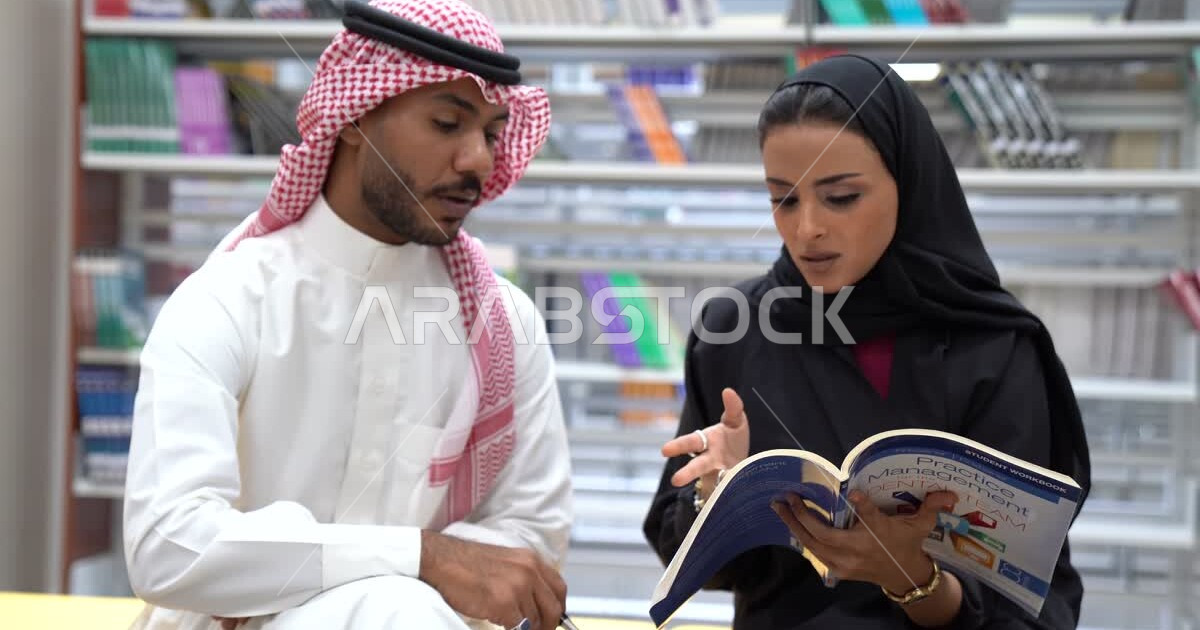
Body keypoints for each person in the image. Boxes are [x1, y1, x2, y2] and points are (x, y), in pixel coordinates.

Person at [121, 2, 572, 629]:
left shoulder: (505, 324)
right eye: (447, 123)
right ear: (355, 115)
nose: (478, 160)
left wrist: (301, 576)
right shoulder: (226, 300)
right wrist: (419, 559)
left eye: (493, 134)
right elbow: (168, 547)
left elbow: (531, 544)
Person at [642, 54, 1091, 629]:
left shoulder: (995, 348)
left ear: (907, 184)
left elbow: (1030, 606)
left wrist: (915, 580)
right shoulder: (736, 329)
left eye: (842, 197)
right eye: (784, 199)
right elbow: (689, 557)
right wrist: (713, 498)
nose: (808, 229)